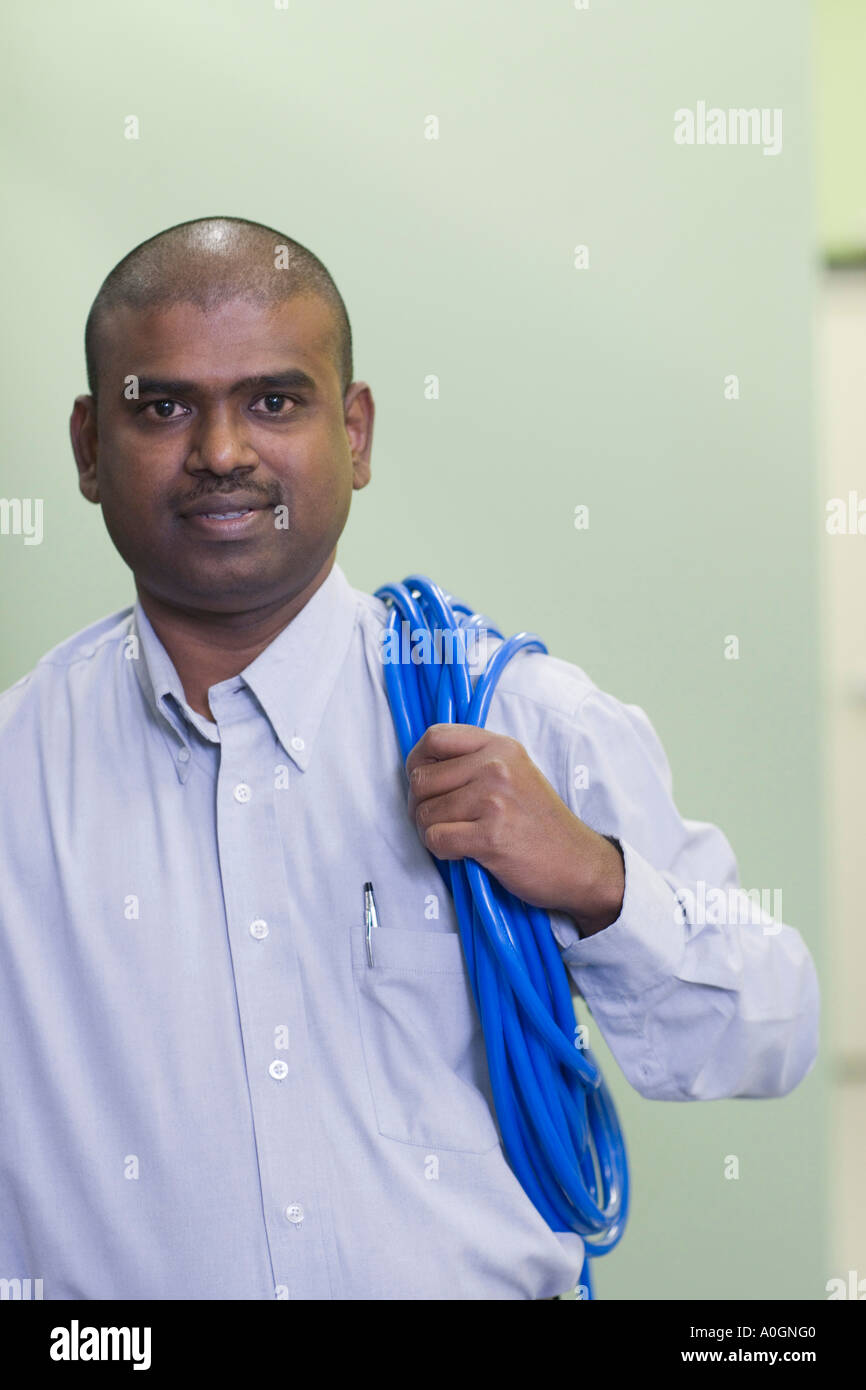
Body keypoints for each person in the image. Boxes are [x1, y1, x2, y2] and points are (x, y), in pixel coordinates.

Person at [0, 217, 818, 1301]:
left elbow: (768, 1027)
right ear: (90, 449)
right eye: (162, 406)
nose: (222, 453)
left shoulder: (508, 712)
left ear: (358, 432)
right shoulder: (18, 769)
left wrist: (595, 879)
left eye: (274, 401)